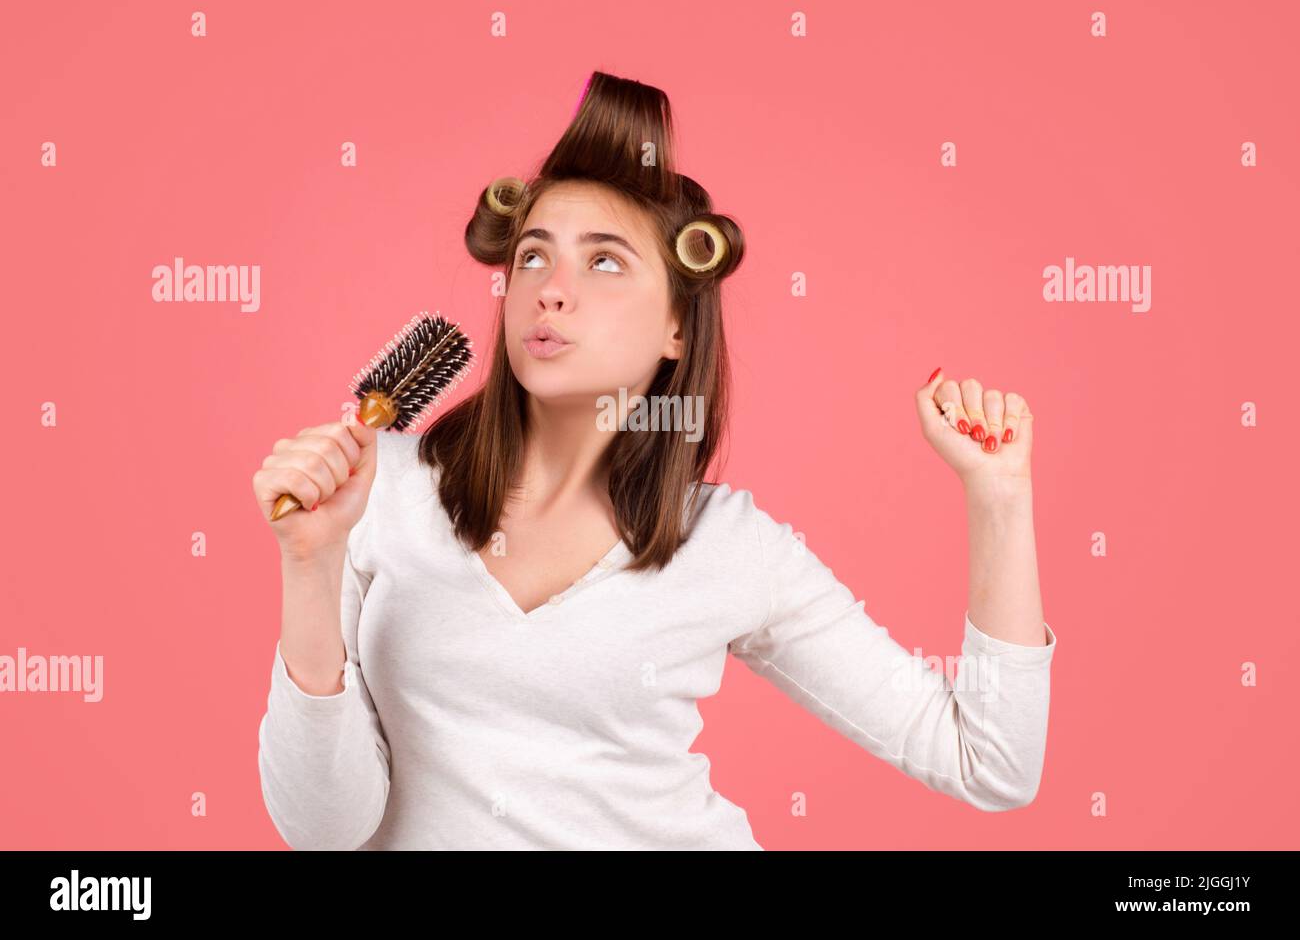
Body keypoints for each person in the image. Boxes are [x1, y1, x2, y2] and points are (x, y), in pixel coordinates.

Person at [251, 70, 1057, 850]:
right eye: (533, 255)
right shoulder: (379, 492)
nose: (551, 289)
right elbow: (324, 829)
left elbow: (988, 762)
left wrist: (1000, 497)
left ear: (677, 327)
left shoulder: (727, 545)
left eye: (604, 261)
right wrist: (310, 568)